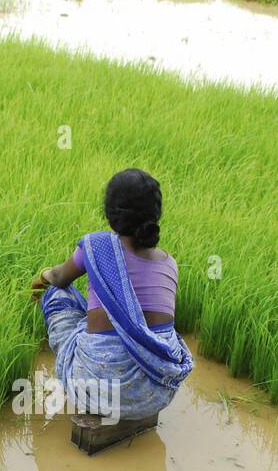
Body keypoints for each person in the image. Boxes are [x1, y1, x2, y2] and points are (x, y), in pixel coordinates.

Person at [31, 168, 193, 422]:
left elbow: (59, 278)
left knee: (58, 293)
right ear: (156, 215)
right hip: (156, 394)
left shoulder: (97, 247)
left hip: (96, 391)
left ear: (109, 213)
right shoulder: (169, 263)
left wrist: (42, 277)